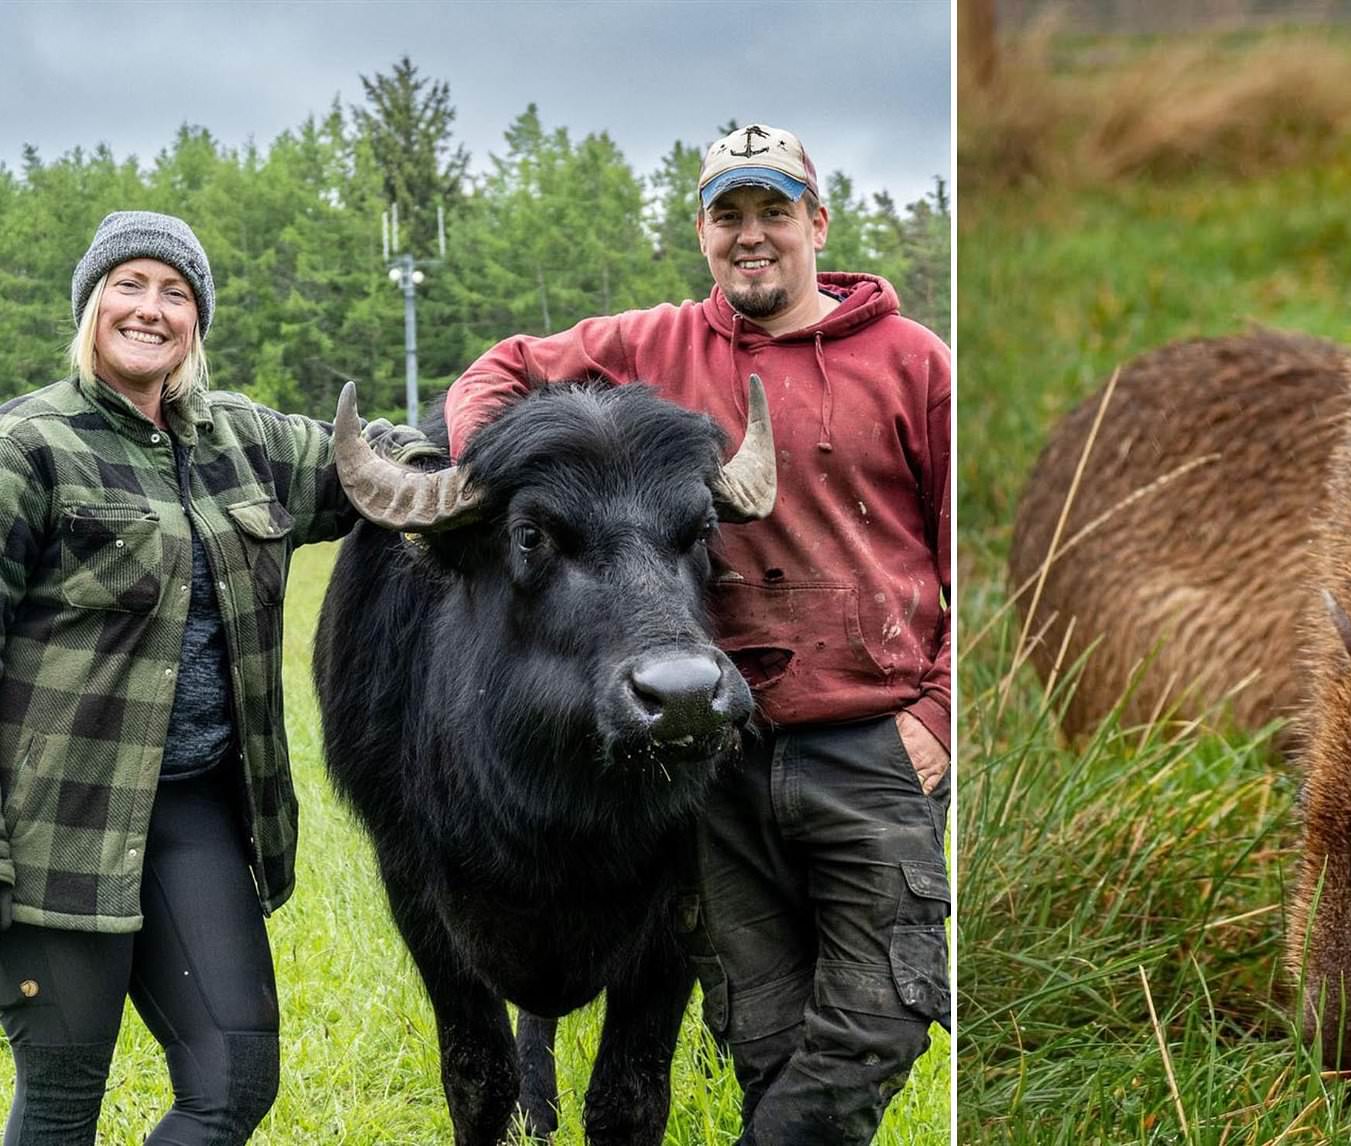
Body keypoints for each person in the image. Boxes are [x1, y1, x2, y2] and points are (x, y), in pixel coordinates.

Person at [444, 123, 950, 1144]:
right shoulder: (656, 342)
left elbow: (975, 553)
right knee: (759, 1024)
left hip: (874, 742)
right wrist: (489, 479)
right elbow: (497, 372)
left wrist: (940, 717)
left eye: (774, 213)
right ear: (704, 232)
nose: (751, 237)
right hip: (720, 750)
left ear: (817, 222)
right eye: (730, 217)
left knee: (882, 1010)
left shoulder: (914, 363)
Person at [0, 211, 416, 1145]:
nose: (151, 309)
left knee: (233, 1083)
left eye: (175, 293)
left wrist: (463, 461)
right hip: (56, 830)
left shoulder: (243, 440)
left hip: (195, 812)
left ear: (197, 320)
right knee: (63, 1106)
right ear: (91, 304)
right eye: (129, 285)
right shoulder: (27, 447)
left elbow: (373, 459)